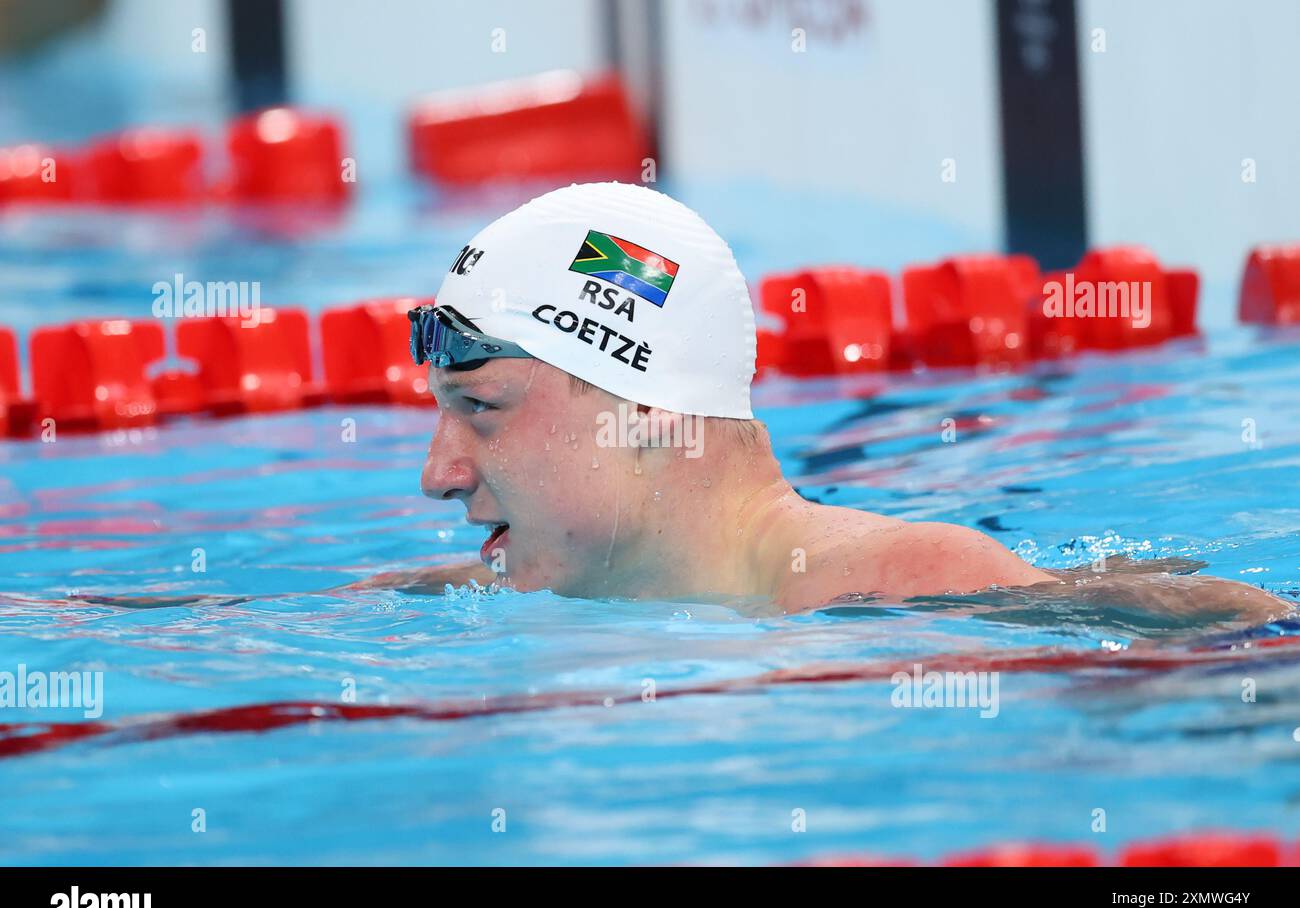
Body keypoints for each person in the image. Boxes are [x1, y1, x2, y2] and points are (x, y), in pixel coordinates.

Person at [362, 182, 1292, 627]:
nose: (436, 473)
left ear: (642, 408)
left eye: (480, 406)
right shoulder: (484, 592)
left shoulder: (902, 582)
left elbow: (1246, 636)